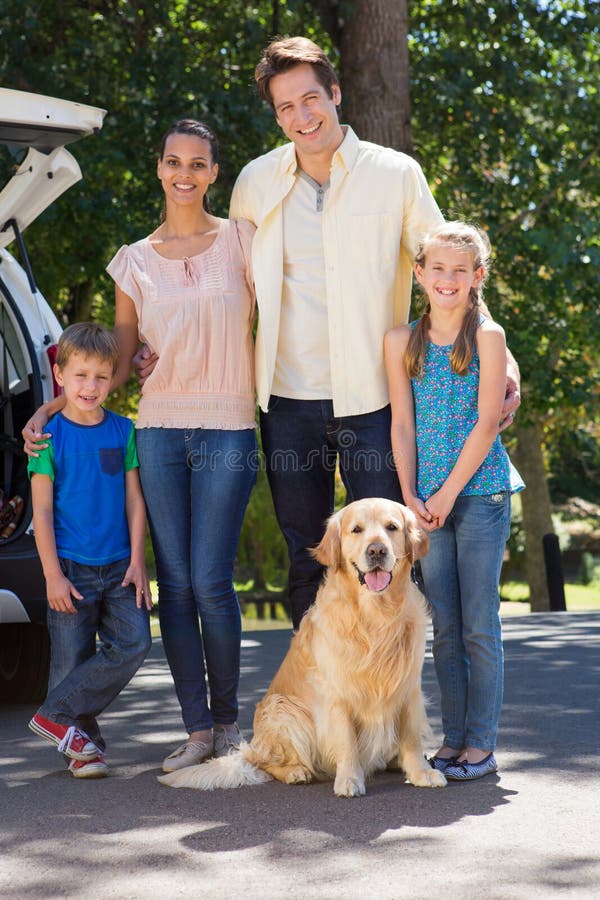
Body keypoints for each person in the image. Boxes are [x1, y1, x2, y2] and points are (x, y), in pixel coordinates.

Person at [24, 119, 258, 774]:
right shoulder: (133, 260)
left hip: (229, 425)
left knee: (211, 580)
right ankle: (197, 731)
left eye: (198, 163)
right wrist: (50, 406)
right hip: (158, 430)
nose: (185, 173)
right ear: (159, 168)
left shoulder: (242, 241)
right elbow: (116, 366)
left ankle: (228, 723)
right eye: (174, 161)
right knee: (176, 584)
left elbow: (285, 319)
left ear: (214, 173)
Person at [384, 221, 525, 781]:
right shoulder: (401, 341)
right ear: (419, 273)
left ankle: (481, 746)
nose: (447, 278)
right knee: (443, 623)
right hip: (426, 505)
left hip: (481, 494)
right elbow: (401, 423)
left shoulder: (488, 336)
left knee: (477, 624)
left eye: (459, 270)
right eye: (437, 268)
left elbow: (488, 422)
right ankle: (453, 739)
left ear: (477, 276)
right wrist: (409, 496)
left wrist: (445, 493)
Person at [27, 322, 152, 779]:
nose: (90, 386)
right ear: (60, 376)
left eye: (101, 376)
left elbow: (134, 500)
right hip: (69, 569)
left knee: (135, 642)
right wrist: (51, 576)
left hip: (119, 566)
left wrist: (138, 560)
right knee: (70, 663)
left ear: (112, 379)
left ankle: (53, 715)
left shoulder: (123, 430)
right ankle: (84, 749)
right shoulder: (47, 438)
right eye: (80, 375)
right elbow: (41, 512)